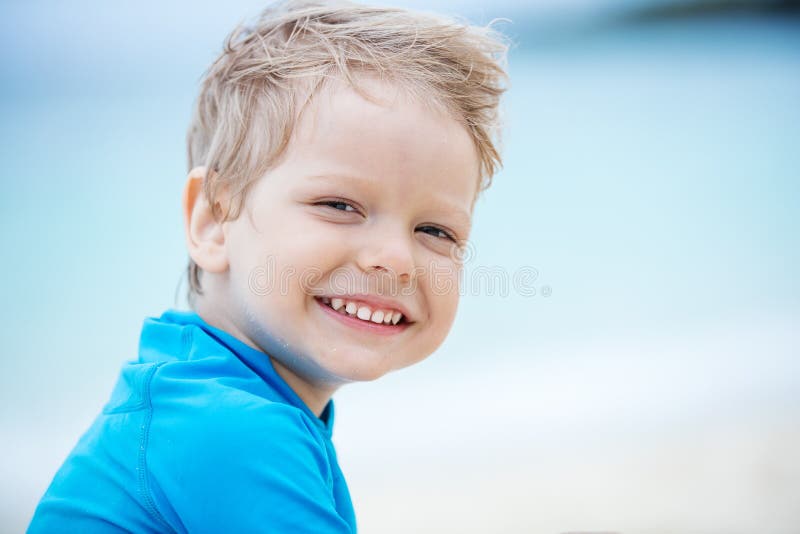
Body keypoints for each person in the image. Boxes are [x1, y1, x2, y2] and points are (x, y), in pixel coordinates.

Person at [28, 1, 508, 531]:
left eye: (435, 231)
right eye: (339, 206)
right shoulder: (229, 431)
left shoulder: (195, 394)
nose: (395, 259)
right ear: (213, 220)